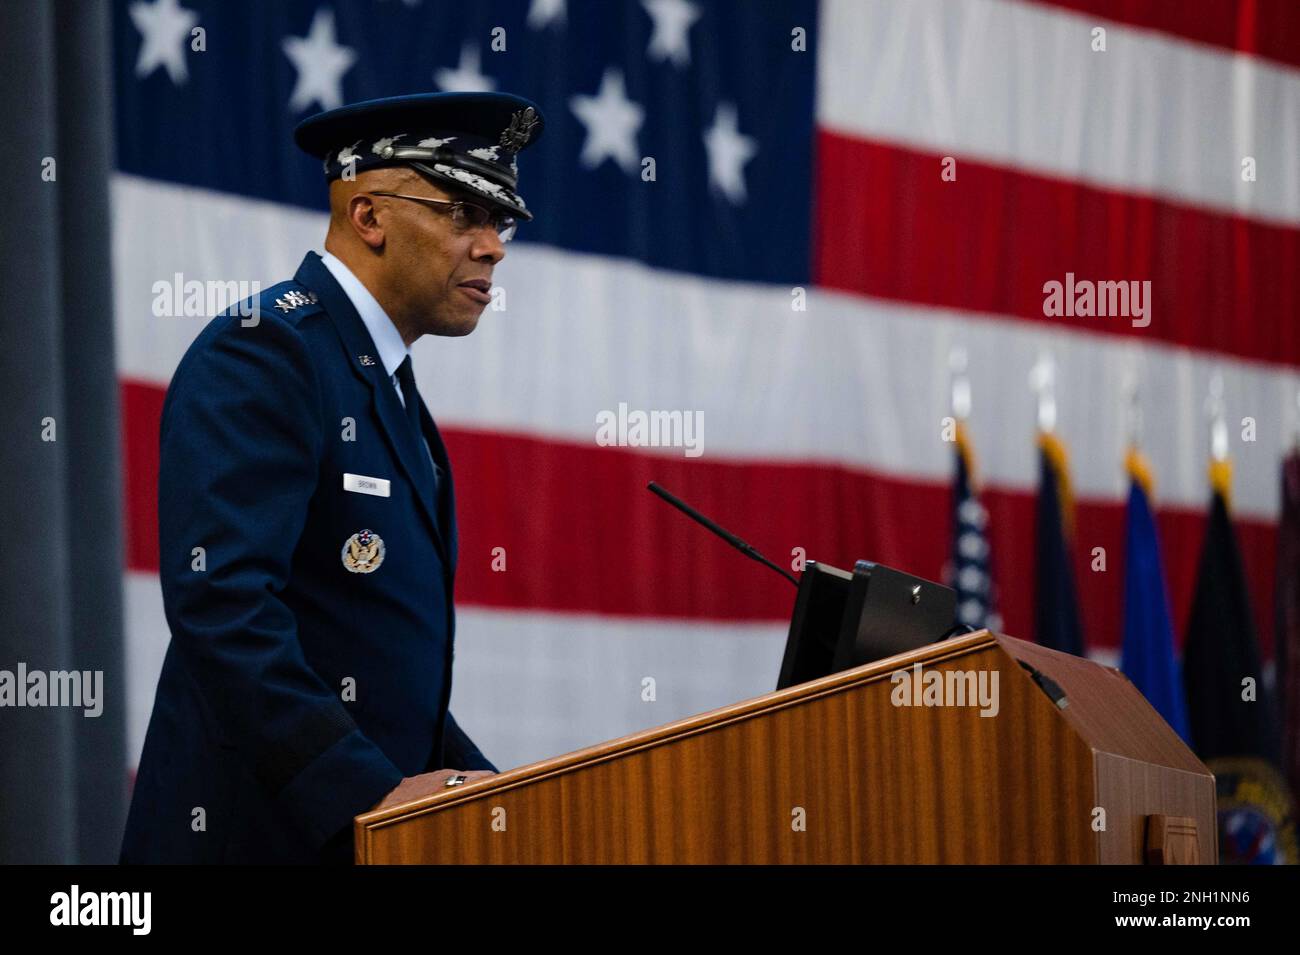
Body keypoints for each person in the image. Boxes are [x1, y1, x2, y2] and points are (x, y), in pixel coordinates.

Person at [120, 92, 544, 863]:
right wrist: (368, 795)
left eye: (500, 220)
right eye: (461, 212)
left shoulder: (382, 383)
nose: (493, 247)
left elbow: (373, 662)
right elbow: (224, 605)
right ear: (370, 217)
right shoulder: (265, 351)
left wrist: (496, 797)